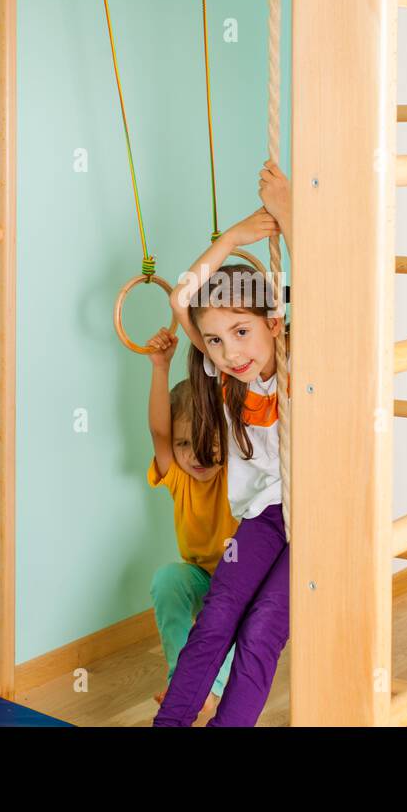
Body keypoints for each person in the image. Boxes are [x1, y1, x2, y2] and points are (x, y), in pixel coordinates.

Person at [153, 190, 292, 726]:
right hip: (263, 517)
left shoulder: (291, 365)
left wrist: (292, 220)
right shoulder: (223, 373)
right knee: (217, 618)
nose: (232, 353)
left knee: (262, 630)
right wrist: (232, 238)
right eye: (215, 340)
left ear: (273, 324)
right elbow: (181, 299)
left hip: (313, 520)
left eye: (241, 332)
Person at [142, 326, 239, 716]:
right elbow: (158, 429)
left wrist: (218, 345)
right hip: (201, 574)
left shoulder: (237, 467)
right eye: (183, 444)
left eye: (206, 441)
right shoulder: (180, 476)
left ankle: (205, 689)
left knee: (229, 611)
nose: (196, 455)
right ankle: (181, 679)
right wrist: (160, 366)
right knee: (167, 579)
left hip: (239, 582)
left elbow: (234, 401)